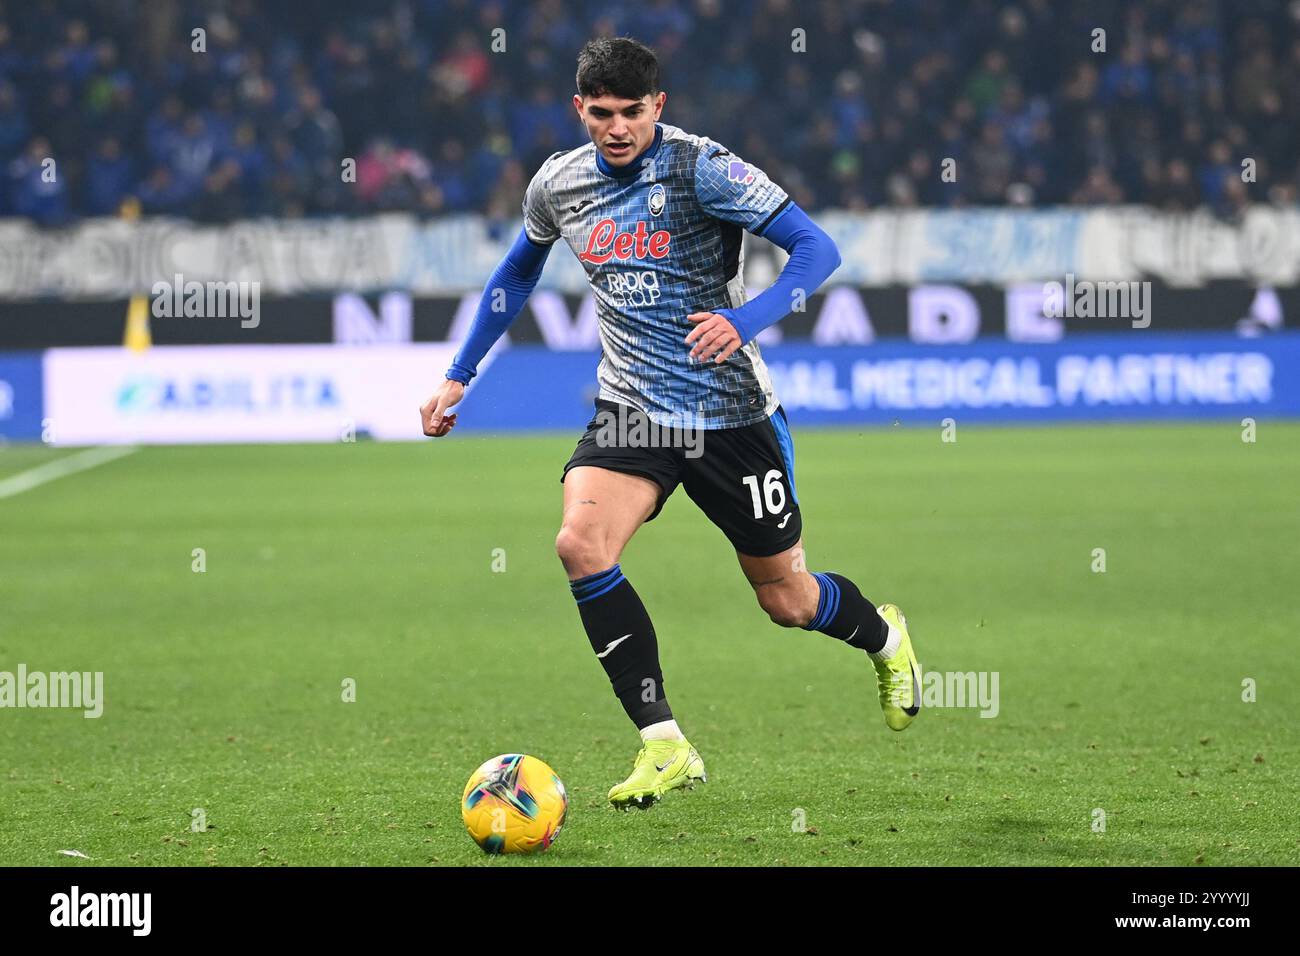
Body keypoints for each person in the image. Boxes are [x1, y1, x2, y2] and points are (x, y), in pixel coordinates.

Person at [421, 37, 920, 810]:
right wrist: (460, 373)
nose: (616, 128)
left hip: (730, 416)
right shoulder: (560, 182)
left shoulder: (701, 167)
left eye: (631, 112)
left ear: (658, 106)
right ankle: (664, 743)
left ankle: (884, 638)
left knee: (786, 600)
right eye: (601, 113)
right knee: (578, 544)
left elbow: (817, 250)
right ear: (578, 108)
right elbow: (519, 269)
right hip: (634, 411)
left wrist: (745, 321)